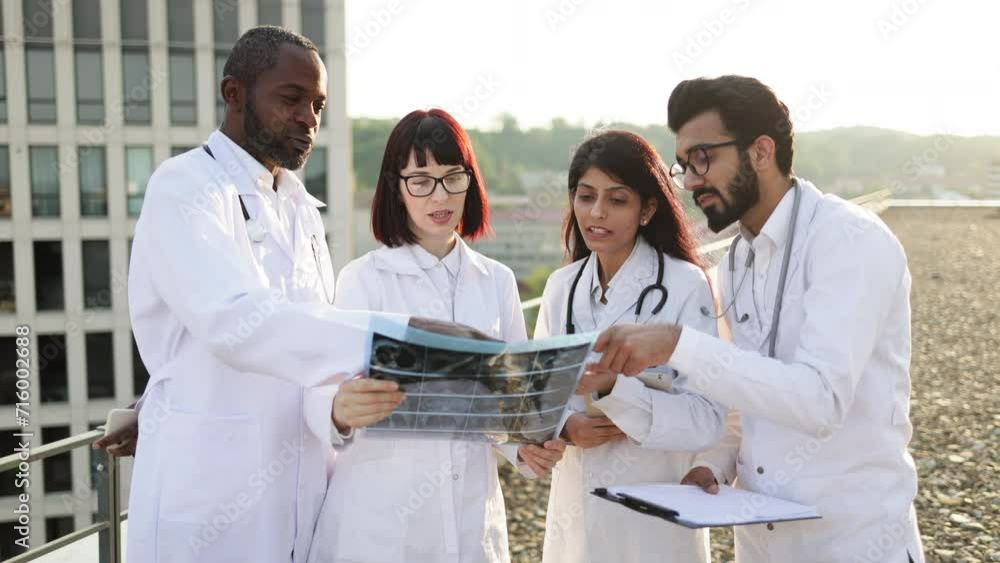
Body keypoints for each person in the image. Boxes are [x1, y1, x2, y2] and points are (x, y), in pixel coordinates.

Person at [107, 28, 465, 563]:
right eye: (291, 98)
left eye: (318, 104)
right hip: (211, 500)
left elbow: (309, 336)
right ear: (235, 94)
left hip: (301, 486)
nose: (309, 118)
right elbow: (234, 321)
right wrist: (397, 337)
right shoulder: (183, 187)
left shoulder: (299, 206)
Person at [594, 75, 924, 563]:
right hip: (761, 543)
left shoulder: (849, 241)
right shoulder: (736, 259)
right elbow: (742, 399)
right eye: (682, 165)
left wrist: (677, 344)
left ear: (761, 152)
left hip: (851, 543)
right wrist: (713, 463)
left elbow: (820, 402)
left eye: (703, 158)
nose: (689, 182)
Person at [306, 109, 566, 563]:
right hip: (380, 522)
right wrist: (341, 408)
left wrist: (527, 450)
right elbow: (325, 399)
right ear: (396, 187)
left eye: (452, 177)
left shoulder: (497, 281)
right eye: (421, 180)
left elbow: (509, 402)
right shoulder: (363, 280)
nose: (439, 194)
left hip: (470, 516)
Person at [536, 130, 726, 563]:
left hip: (653, 519)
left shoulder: (683, 285)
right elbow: (535, 397)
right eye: (585, 197)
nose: (596, 212)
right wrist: (567, 427)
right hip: (575, 516)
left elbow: (707, 419)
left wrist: (615, 394)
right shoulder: (561, 287)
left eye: (617, 200)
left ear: (648, 209)